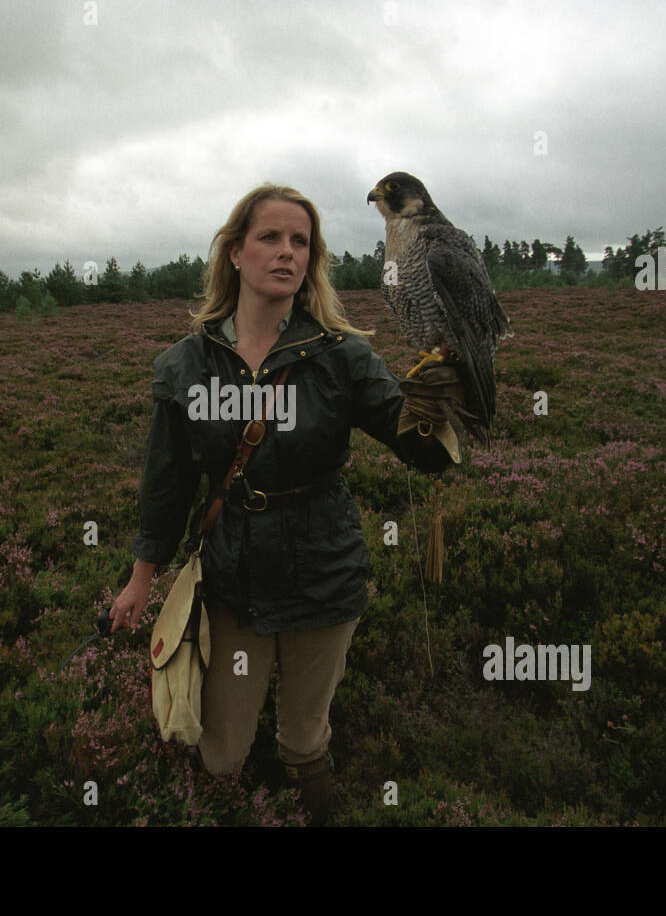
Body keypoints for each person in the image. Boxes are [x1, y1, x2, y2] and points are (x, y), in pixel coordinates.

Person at [110, 183, 455, 824]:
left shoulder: (342, 355)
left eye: (301, 241)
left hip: (325, 575)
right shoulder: (186, 367)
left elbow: (420, 448)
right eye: (269, 237)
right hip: (235, 579)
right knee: (220, 754)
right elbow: (166, 486)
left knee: (304, 740)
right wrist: (140, 579)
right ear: (235, 254)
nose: (286, 252)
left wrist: (446, 393)